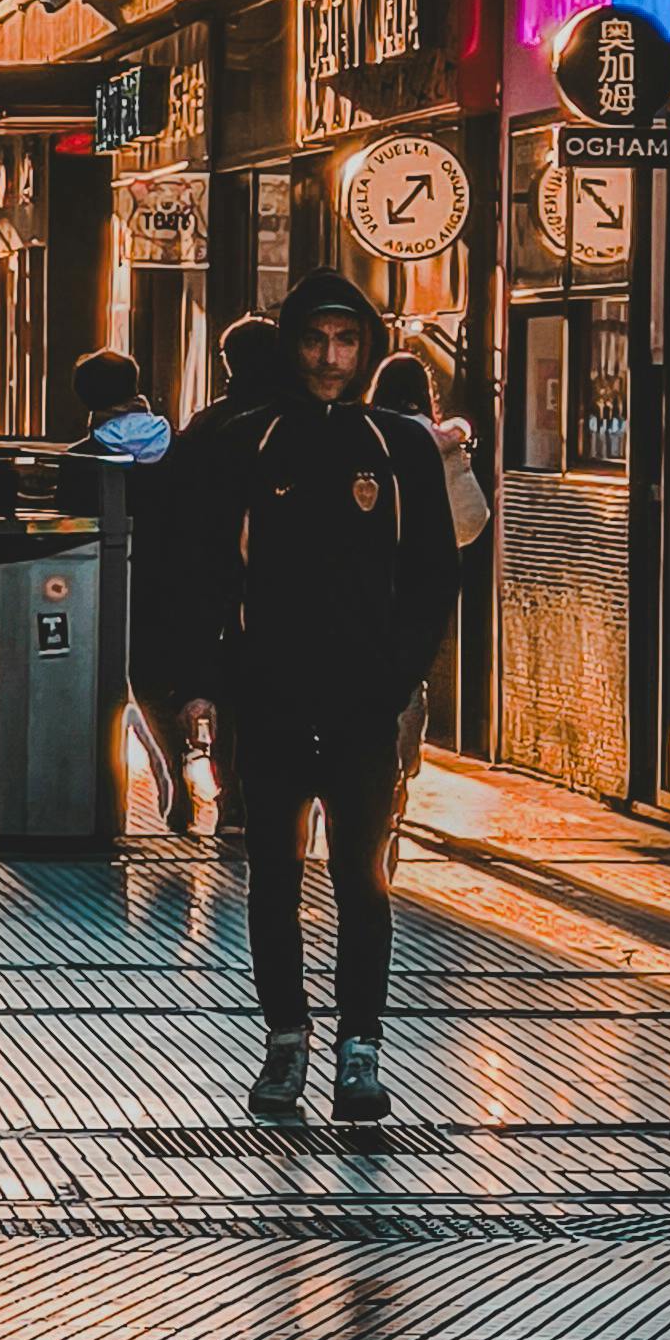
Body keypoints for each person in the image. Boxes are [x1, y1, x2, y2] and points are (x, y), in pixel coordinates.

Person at [196, 270, 459, 1127]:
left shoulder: (400, 447)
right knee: (272, 877)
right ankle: (285, 1038)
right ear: (291, 341)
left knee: (363, 878)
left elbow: (432, 576)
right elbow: (203, 574)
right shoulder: (248, 441)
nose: (330, 358)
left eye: (347, 342)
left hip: (362, 706)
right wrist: (214, 682)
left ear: (369, 347)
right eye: (315, 339)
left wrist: (400, 677)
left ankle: (361, 1047)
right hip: (268, 702)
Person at [132, 315, 283, 835]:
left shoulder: (208, 425)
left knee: (213, 683)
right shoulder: (292, 419)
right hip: (275, 578)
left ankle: (209, 782)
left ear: (228, 363)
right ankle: (247, 795)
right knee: (259, 690)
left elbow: (180, 507)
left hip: (207, 577)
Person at [368, 348, 488, 837]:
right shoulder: (438, 443)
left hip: (371, 572)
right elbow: (473, 516)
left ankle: (372, 769)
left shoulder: (366, 435)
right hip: (422, 576)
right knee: (411, 675)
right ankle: (400, 767)